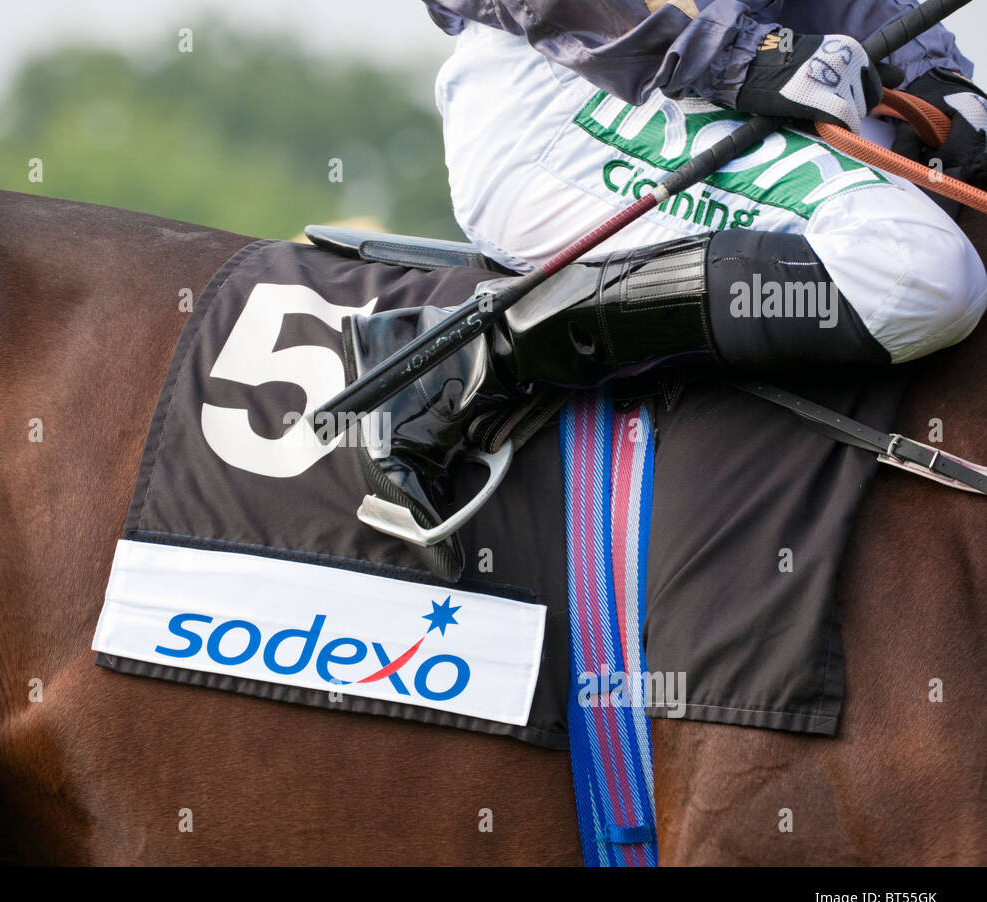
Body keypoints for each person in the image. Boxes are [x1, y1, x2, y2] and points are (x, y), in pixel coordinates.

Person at [341, 0, 987, 560]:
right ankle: (464, 364)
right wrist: (740, 51)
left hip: (721, 79)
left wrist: (931, 74)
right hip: (583, 83)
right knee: (918, 270)